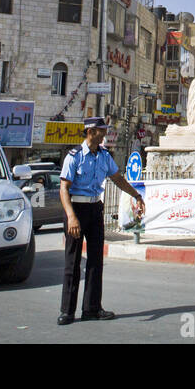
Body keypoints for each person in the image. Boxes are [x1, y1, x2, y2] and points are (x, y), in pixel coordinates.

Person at [58, 118, 145, 325]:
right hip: (76, 209)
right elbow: (64, 188)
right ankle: (67, 311)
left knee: (96, 261)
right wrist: (71, 216)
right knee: (73, 262)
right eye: (101, 130)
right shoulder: (74, 157)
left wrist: (137, 195)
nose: (104, 133)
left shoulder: (104, 156)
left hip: (95, 208)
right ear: (91, 131)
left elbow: (117, 179)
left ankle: (92, 308)